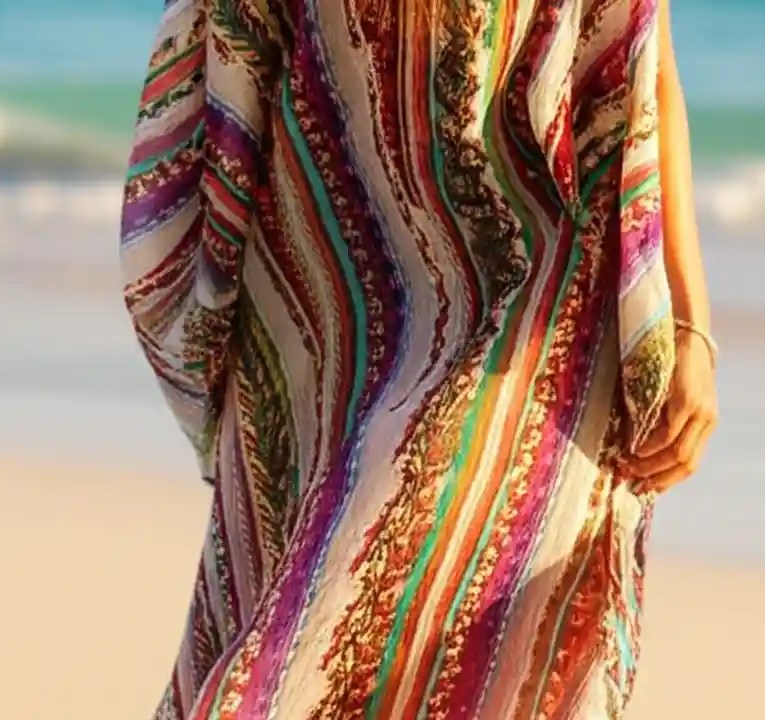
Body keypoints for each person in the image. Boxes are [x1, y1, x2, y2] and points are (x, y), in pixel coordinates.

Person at [118, 0, 716, 717]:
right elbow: (226, 62)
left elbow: (643, 70)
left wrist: (689, 327)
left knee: (475, 659)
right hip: (320, 324)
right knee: (297, 644)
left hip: (537, 323)